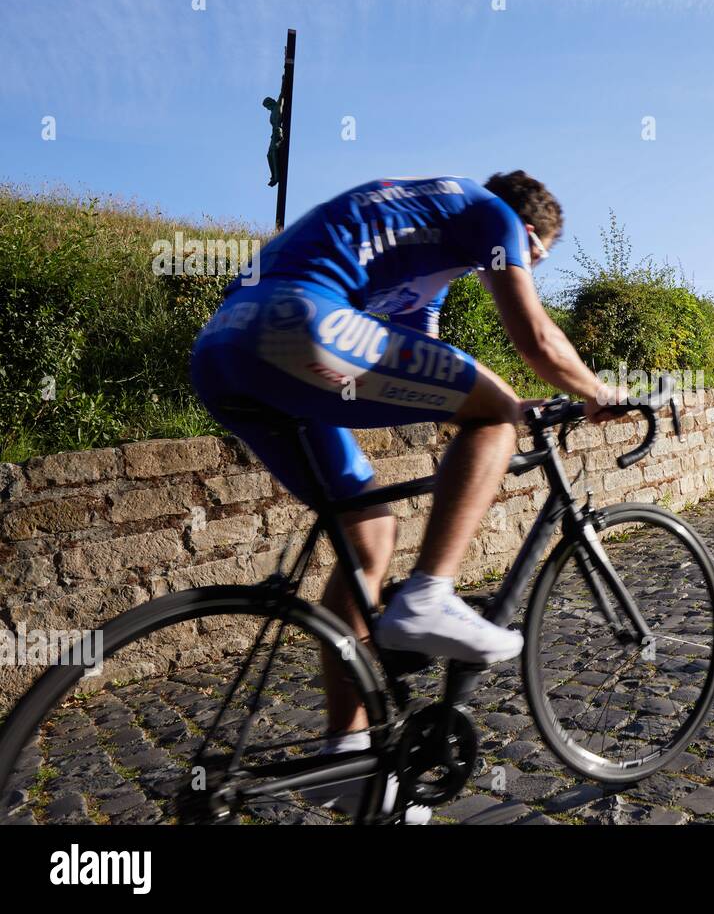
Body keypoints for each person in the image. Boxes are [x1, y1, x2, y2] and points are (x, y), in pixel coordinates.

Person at [190, 171, 620, 818]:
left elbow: (425, 371)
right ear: (529, 234)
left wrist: (495, 415)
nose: (528, 266)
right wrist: (595, 391)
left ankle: (346, 754)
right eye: (537, 258)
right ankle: (426, 598)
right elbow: (534, 337)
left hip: (227, 345)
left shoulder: (424, 261)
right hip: (300, 322)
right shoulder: (494, 216)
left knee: (370, 534)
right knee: (494, 413)